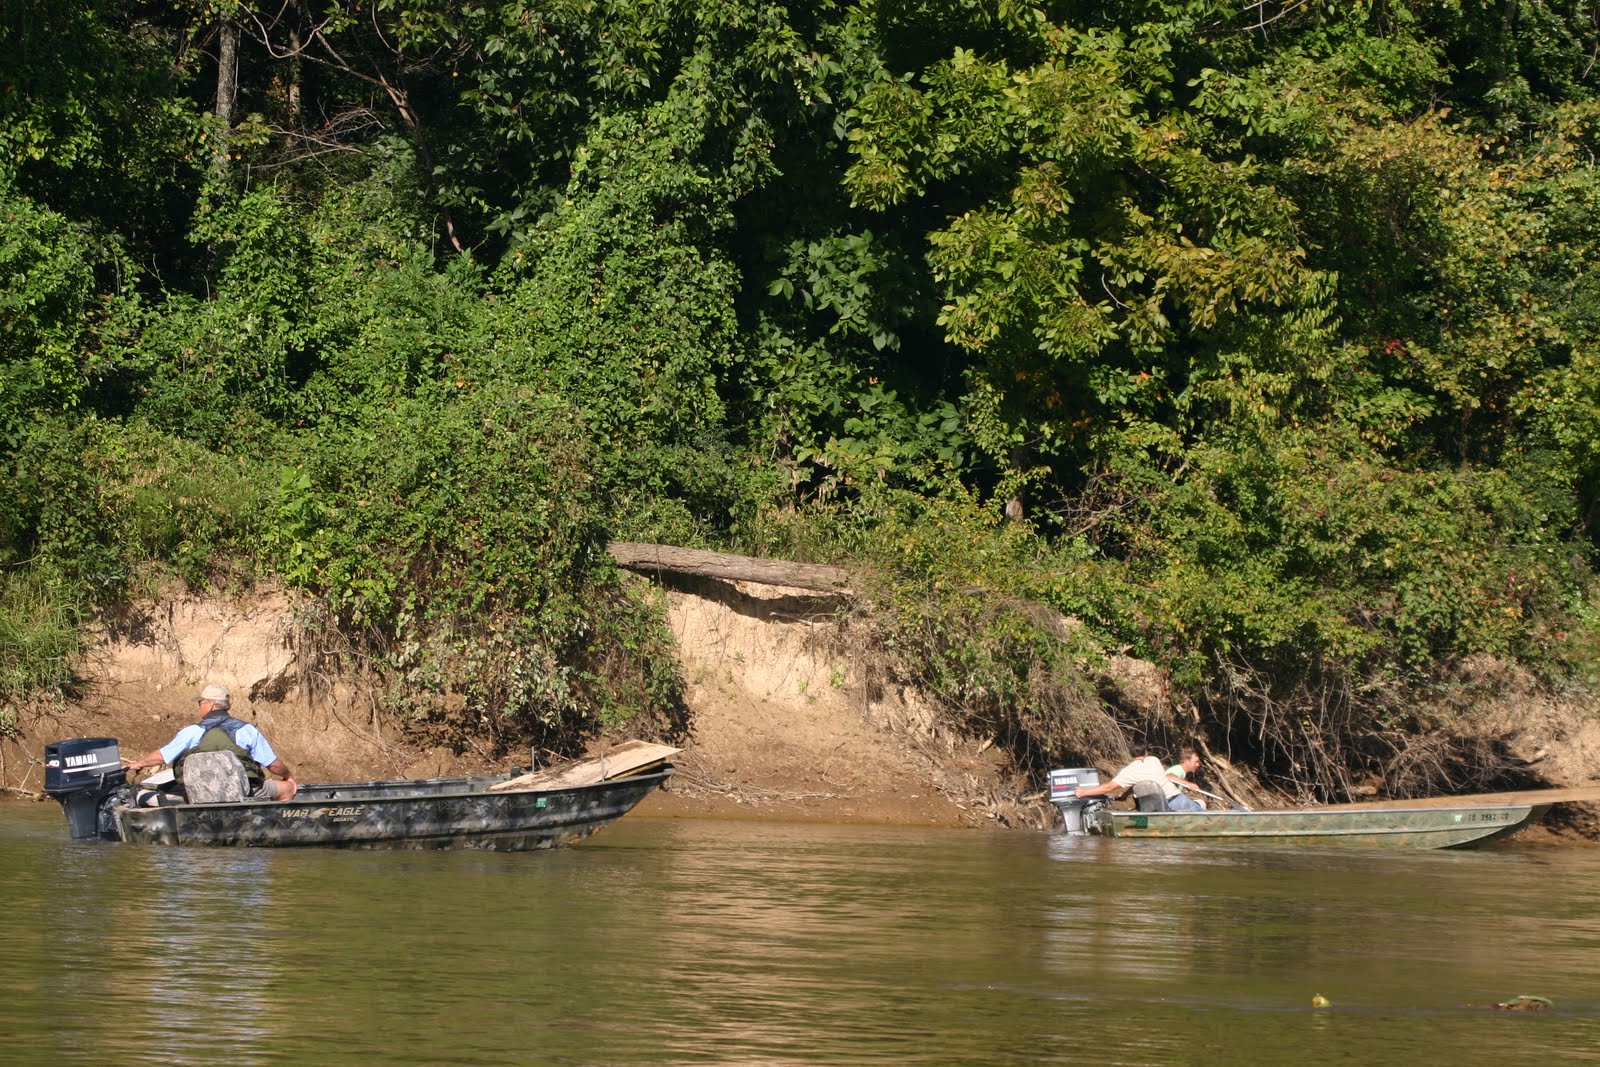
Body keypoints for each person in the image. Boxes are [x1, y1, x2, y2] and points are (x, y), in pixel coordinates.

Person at [124, 684, 298, 801]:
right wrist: (288, 777)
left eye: (201, 702)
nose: (199, 705)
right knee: (288, 788)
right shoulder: (246, 731)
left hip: (199, 794)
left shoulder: (192, 732)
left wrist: (139, 764)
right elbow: (274, 765)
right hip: (244, 793)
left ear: (211, 704)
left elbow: (161, 757)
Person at [1074, 743, 1186, 810]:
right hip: (1178, 798)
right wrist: (1126, 794)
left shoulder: (1129, 771)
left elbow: (1109, 787)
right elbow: (1143, 781)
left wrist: (1084, 792)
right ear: (1146, 752)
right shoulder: (1154, 760)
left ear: (1131, 754)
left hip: (1163, 805)